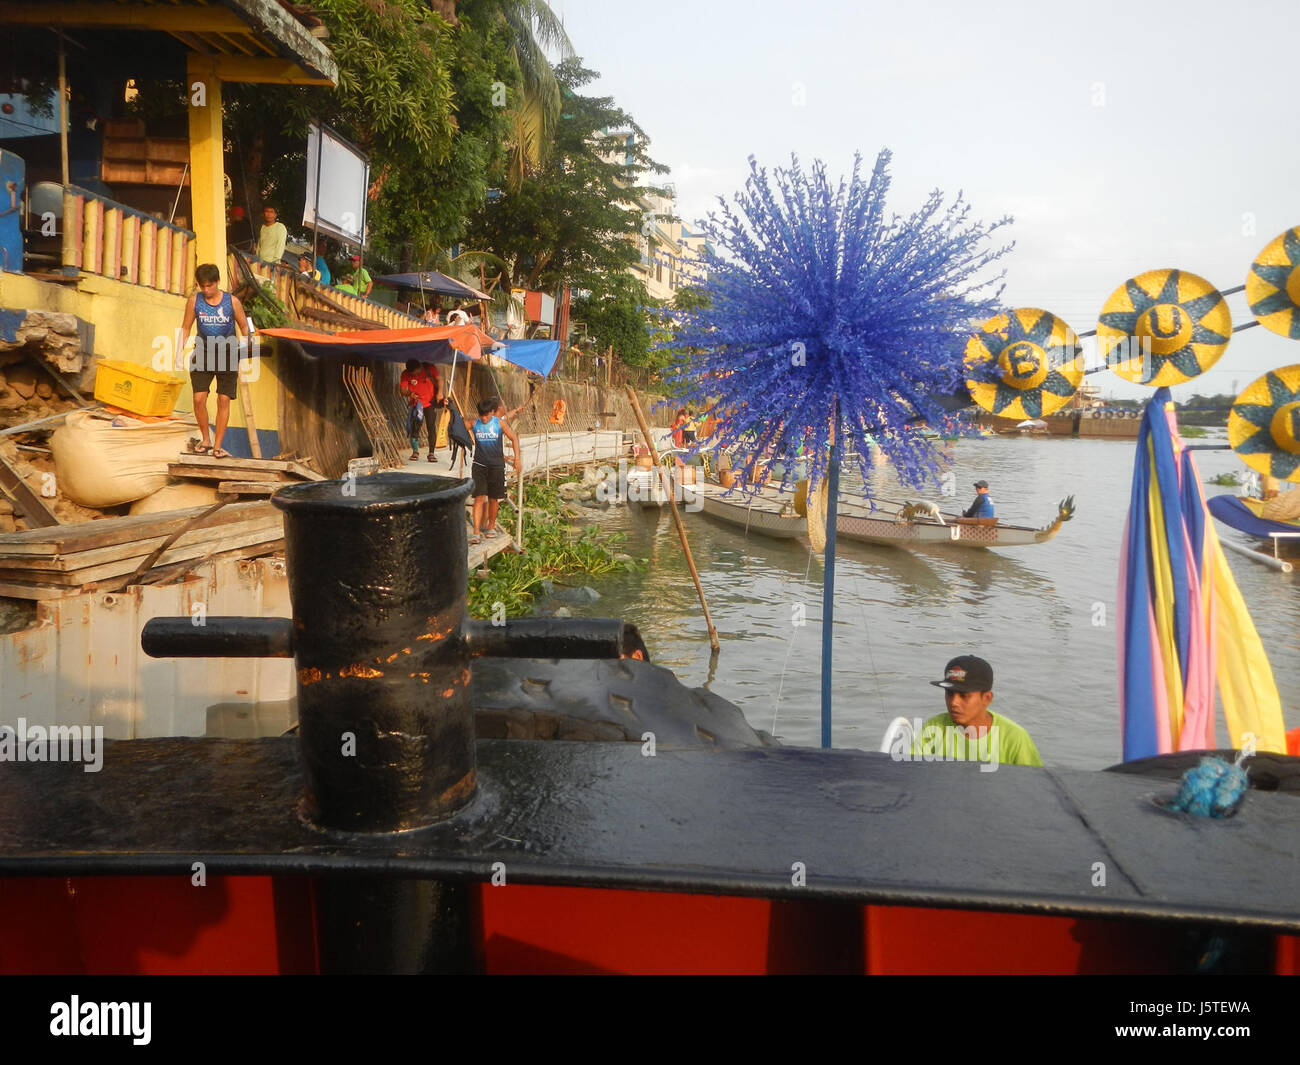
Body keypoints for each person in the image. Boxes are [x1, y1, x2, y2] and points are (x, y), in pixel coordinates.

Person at [914, 655, 1043, 768]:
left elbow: (1034, 786)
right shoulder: (933, 728)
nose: (954, 702)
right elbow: (911, 772)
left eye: (964, 696)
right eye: (949, 694)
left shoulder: (1015, 738)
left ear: (987, 698)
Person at [180, 262, 251, 459]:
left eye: (209, 285)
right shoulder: (195, 301)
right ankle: (206, 439)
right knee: (198, 398)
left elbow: (245, 327)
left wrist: (244, 350)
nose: (206, 289)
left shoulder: (232, 302)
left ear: (217, 282)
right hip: (202, 353)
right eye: (202, 286)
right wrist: (178, 352)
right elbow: (185, 328)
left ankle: (217, 446)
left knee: (223, 399)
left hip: (228, 355)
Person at [470, 396, 521, 544]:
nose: (484, 418)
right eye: (481, 415)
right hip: (479, 465)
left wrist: (517, 459)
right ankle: (476, 532)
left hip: (496, 466)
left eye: (486, 415)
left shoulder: (500, 424)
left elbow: (514, 438)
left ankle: (491, 527)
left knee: (493, 498)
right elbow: (457, 425)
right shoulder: (474, 423)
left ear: (492, 412)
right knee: (479, 498)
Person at [399, 358, 434, 461]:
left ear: (420, 367)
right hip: (415, 404)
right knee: (414, 427)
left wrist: (439, 394)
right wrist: (410, 394)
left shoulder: (428, 369)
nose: (415, 375)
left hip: (429, 403)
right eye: (413, 374)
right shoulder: (405, 374)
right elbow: (402, 391)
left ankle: (431, 453)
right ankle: (415, 452)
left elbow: (439, 379)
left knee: (431, 427)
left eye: (417, 372)